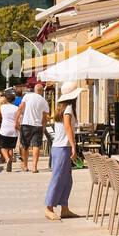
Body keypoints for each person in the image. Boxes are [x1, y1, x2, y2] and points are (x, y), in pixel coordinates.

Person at [43, 82, 81, 220]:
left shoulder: (62, 107)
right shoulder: (69, 108)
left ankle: (64, 208)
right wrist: (73, 145)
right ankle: (49, 207)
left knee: (66, 179)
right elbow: (67, 127)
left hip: (59, 147)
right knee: (58, 178)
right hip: (63, 147)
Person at [17, 83, 49, 173]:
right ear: (42, 91)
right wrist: (43, 129)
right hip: (38, 126)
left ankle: (25, 165)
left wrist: (16, 121)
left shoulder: (27, 96)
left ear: (34, 90)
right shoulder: (44, 101)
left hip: (26, 124)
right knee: (36, 146)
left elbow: (20, 109)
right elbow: (44, 118)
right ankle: (34, 167)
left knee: (25, 146)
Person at [0, 89, 20, 172]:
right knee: (10, 148)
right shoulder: (17, 108)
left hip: (4, 130)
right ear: (14, 100)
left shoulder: (2, 107)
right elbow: (18, 120)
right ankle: (10, 160)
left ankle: (7, 159)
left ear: (6, 99)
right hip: (13, 131)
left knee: (2, 147)